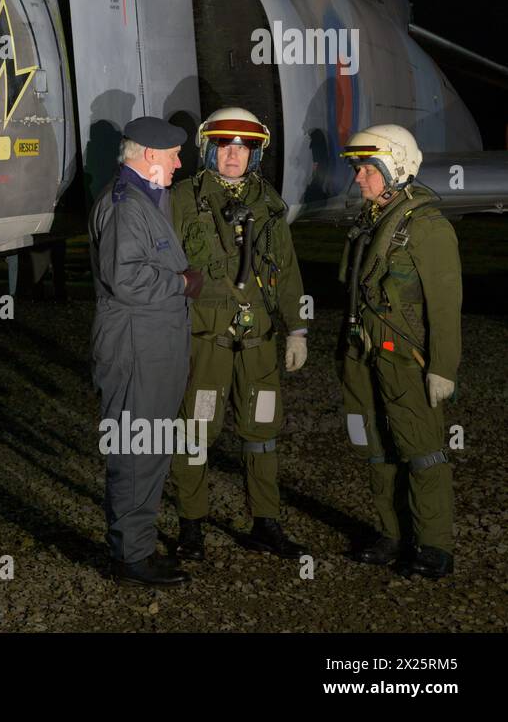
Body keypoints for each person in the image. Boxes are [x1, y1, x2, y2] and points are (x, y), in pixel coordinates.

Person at [169, 108, 309, 562]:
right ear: (209, 149)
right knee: (195, 432)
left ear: (255, 155)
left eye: (243, 149)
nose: (233, 156)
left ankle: (264, 523)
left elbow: (286, 272)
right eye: (225, 148)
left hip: (259, 342)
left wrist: (298, 330)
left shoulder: (269, 205)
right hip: (205, 339)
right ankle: (191, 526)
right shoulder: (180, 200)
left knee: (262, 432)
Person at [338, 124, 461, 578]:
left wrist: (443, 368)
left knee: (423, 452)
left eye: (368, 168)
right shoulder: (370, 222)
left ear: (397, 168)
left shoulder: (427, 228)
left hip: (404, 358)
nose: (359, 177)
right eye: (357, 167)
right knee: (375, 448)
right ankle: (392, 533)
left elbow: (446, 305)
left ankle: (434, 546)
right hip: (364, 355)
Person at [89, 115, 200, 586]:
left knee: (151, 447)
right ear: (150, 156)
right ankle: (131, 557)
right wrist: (179, 282)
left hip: (152, 347)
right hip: (136, 350)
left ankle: (136, 544)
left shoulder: (149, 198)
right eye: (173, 155)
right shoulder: (125, 206)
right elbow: (126, 277)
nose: (179, 163)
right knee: (138, 449)